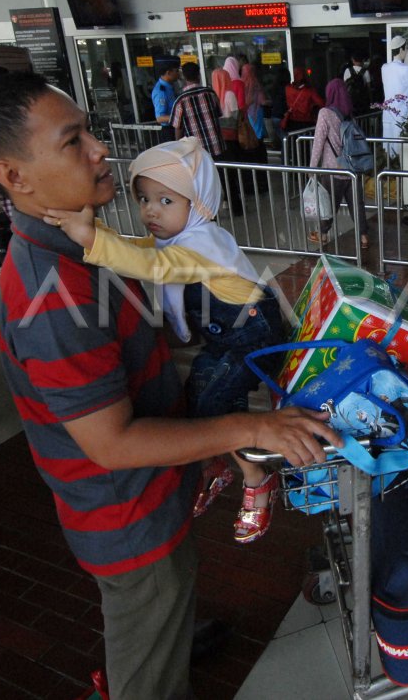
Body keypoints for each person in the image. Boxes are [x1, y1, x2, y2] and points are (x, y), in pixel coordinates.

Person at [0, 72, 341, 699]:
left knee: (168, 602)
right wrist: (255, 427)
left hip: (156, 492)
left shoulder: (88, 247)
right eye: (72, 141)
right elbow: (111, 443)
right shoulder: (53, 293)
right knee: (148, 662)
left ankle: (176, 635)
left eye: (90, 131)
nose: (101, 150)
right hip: (128, 514)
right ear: (14, 176)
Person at [43, 138, 288, 544]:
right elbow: (141, 248)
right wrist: (95, 231)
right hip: (228, 338)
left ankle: (256, 478)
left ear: (200, 204)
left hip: (251, 337)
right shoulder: (178, 239)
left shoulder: (204, 244)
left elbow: (152, 265)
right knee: (208, 396)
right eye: (143, 199)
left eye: (166, 200)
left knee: (210, 405)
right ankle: (223, 462)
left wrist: (91, 238)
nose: (151, 211)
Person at [308, 78, 369, 249]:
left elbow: (318, 142)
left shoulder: (325, 113)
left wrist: (312, 167)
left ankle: (323, 234)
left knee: (329, 204)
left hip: (333, 168)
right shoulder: (348, 113)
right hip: (353, 168)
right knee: (357, 205)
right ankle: (364, 237)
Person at [170, 61, 224, 158]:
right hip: (217, 147)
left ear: (184, 77)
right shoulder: (210, 93)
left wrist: (179, 146)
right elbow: (218, 114)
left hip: (196, 152)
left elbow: (178, 128)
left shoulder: (180, 101)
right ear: (198, 75)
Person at [282, 66, 324, 134]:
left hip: (291, 122)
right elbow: (322, 104)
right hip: (306, 123)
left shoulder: (287, 89)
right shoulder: (310, 91)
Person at [151, 61, 181, 141]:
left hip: (175, 127)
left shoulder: (170, 86)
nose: (179, 74)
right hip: (169, 130)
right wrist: (180, 116)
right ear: (168, 72)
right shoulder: (161, 91)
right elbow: (160, 118)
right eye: (176, 71)